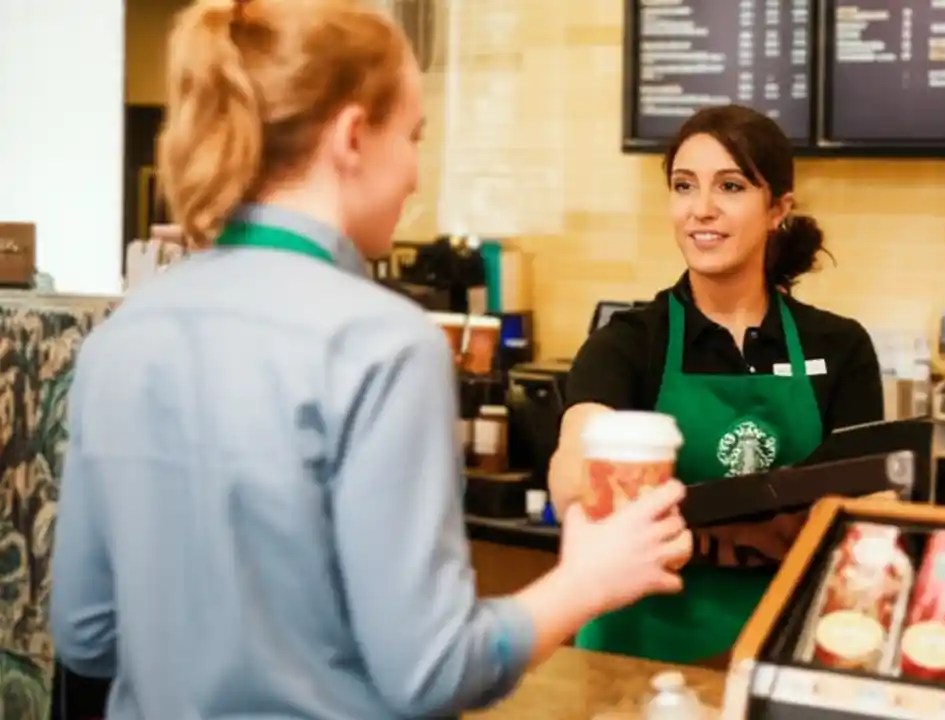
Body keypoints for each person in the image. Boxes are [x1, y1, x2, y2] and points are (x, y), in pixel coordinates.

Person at [49, 1, 691, 718]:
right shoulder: (382, 344)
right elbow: (435, 671)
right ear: (352, 136)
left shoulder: (120, 338)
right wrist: (587, 580)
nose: (418, 175)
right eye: (413, 136)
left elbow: (86, 636)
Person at [548, 104, 885, 666]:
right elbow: (573, 479)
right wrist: (748, 535)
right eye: (684, 186)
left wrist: (685, 527)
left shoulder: (840, 346)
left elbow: (872, 507)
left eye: (730, 186)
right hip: (634, 658)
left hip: (785, 658)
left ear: (778, 208)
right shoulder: (629, 342)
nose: (701, 210)